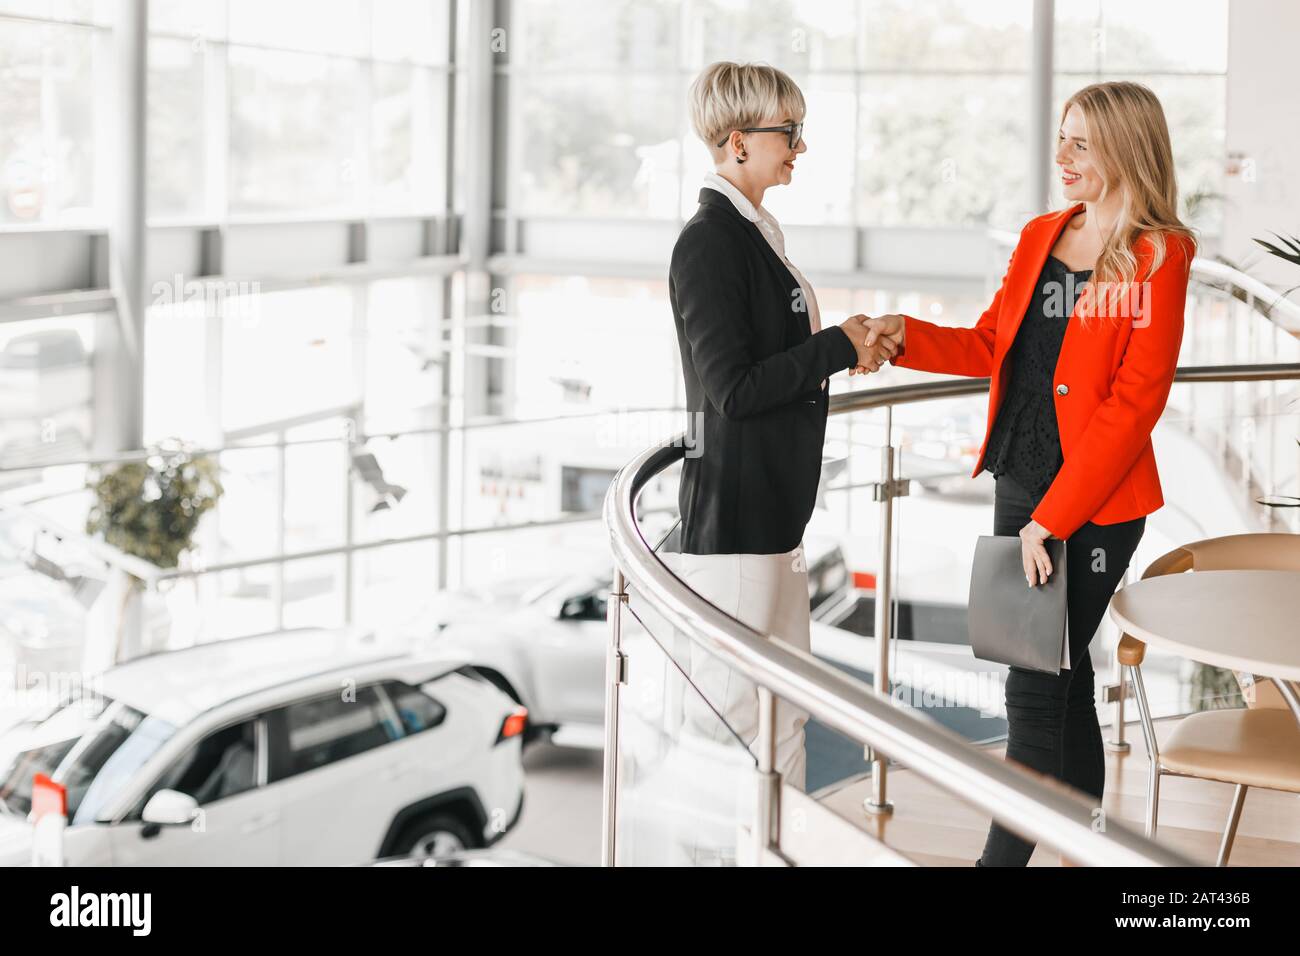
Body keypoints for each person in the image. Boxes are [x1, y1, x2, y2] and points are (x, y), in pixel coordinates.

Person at [858, 81, 1196, 865]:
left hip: (1097, 507)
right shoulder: (1044, 231)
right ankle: (1094, 847)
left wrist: (1053, 519)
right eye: (1062, 138)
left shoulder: (1159, 254)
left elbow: (1131, 406)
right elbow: (990, 344)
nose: (1062, 156)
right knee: (1063, 680)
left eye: (1081, 142)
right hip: (1021, 481)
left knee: (1032, 693)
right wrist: (905, 334)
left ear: (1124, 146)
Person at [656, 61, 890, 794]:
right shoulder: (711, 241)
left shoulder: (755, 229)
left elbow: (770, 365)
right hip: (734, 530)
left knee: (784, 716)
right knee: (732, 731)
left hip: (774, 523)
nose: (800, 146)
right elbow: (732, 390)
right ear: (736, 141)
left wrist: (845, 349)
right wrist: (835, 347)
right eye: (789, 131)